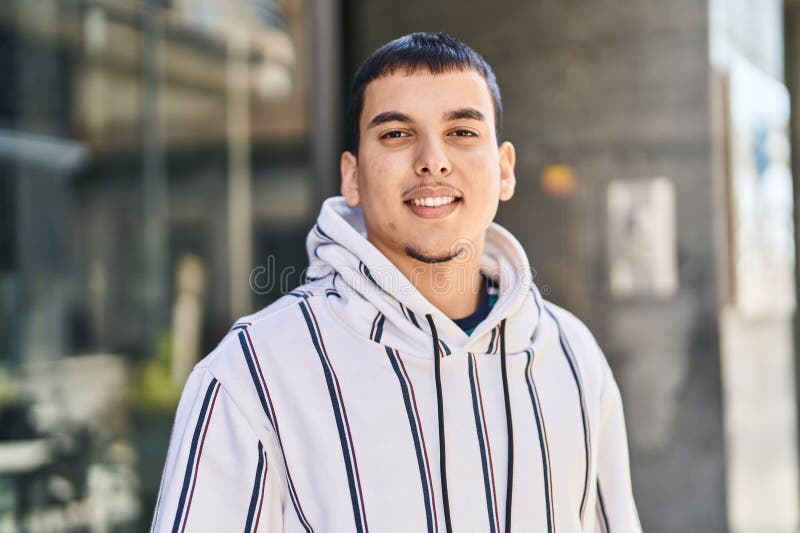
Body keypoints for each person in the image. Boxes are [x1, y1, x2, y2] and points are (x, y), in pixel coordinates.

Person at [151, 32, 642, 533]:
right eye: (396, 134)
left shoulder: (572, 356)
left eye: (463, 132)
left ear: (504, 169)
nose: (433, 159)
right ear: (352, 176)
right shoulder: (252, 375)